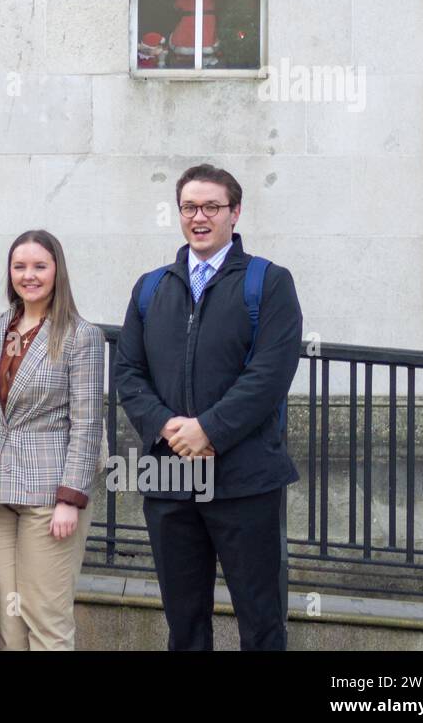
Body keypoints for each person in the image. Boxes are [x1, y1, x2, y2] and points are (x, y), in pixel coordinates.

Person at [114, 164, 302, 651]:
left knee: (261, 622)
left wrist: (210, 431)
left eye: (212, 207)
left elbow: (270, 375)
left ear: (235, 213)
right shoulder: (151, 287)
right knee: (184, 622)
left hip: (245, 478)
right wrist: (166, 426)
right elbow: (128, 372)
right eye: (190, 207)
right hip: (170, 477)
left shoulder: (270, 282)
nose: (200, 217)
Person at [0, 230, 106, 650]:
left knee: (45, 616)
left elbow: (87, 423)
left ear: (57, 271)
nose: (28, 275)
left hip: (49, 495)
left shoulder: (80, 335)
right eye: (19, 267)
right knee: (7, 620)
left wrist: (70, 498)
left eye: (39, 266)